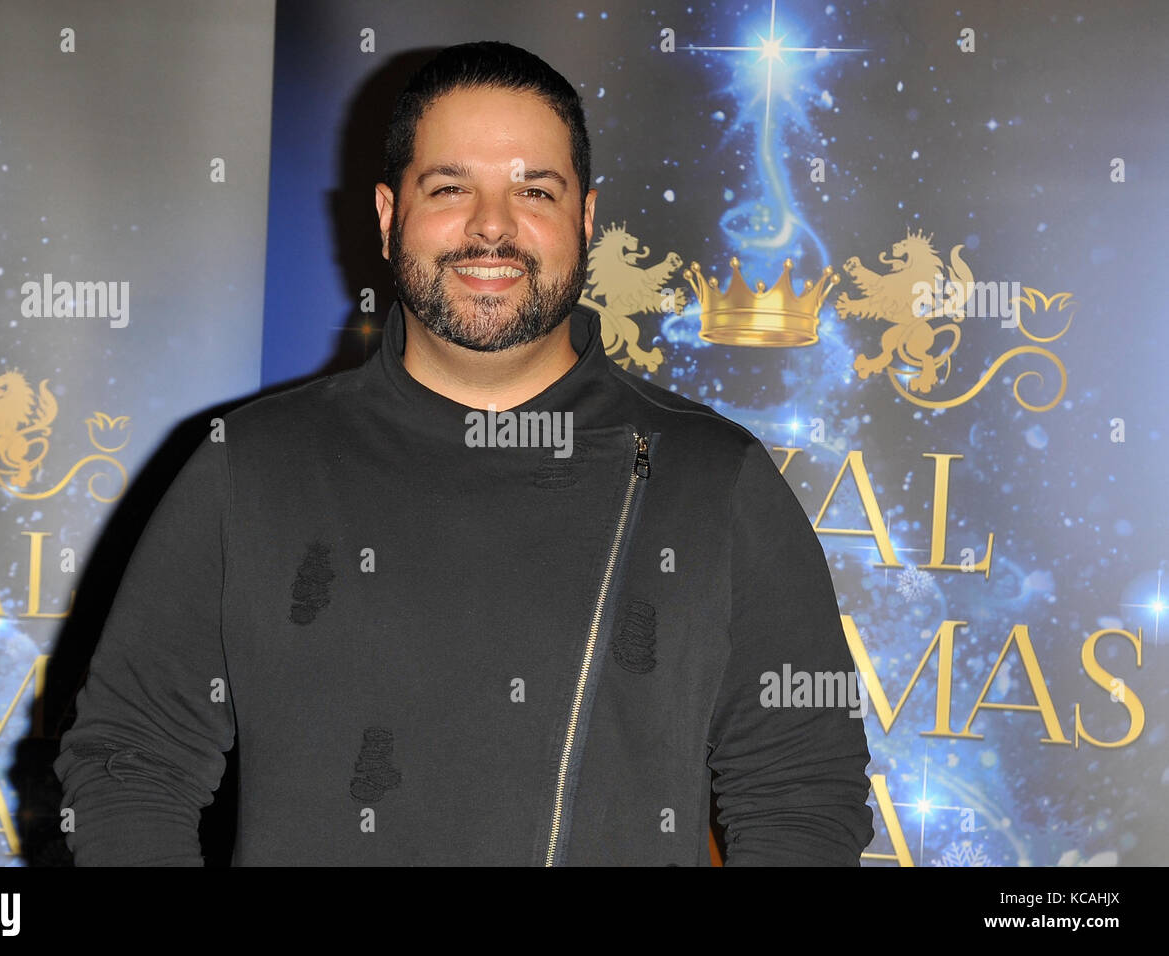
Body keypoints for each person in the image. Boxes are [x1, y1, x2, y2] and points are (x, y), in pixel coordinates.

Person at [54, 40, 874, 866]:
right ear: (387, 216)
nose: (492, 226)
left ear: (586, 221)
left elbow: (803, 798)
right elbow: (131, 763)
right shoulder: (248, 465)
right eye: (451, 188)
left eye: (533, 190)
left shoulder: (715, 478)